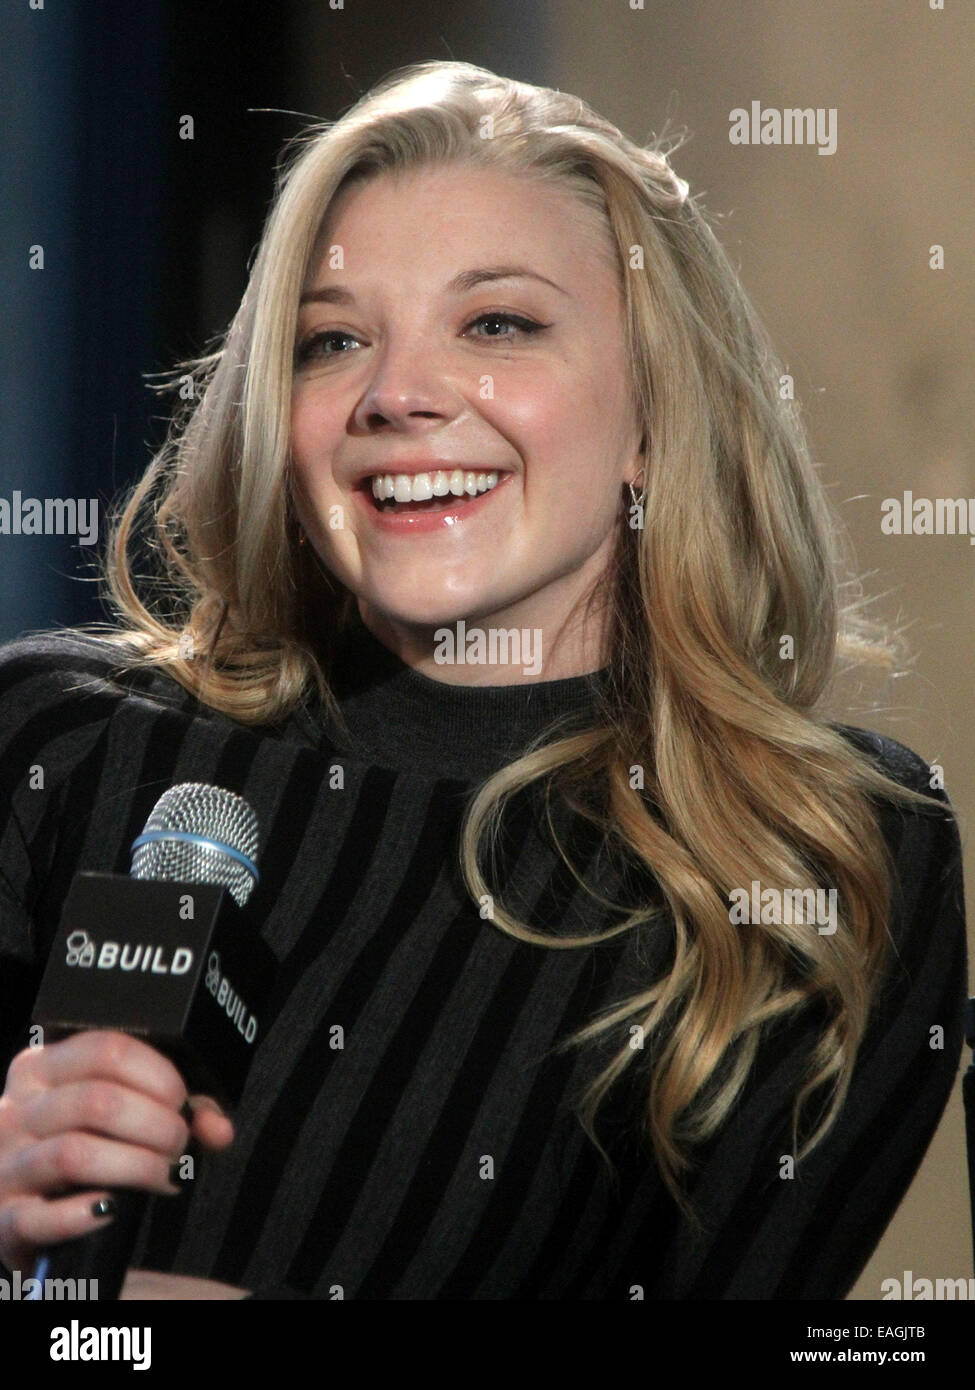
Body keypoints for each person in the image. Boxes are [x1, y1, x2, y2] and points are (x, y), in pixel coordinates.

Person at [0, 59, 967, 1301]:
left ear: (654, 416)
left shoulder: (812, 850)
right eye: (333, 340)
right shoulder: (65, 746)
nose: (397, 395)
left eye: (497, 324)